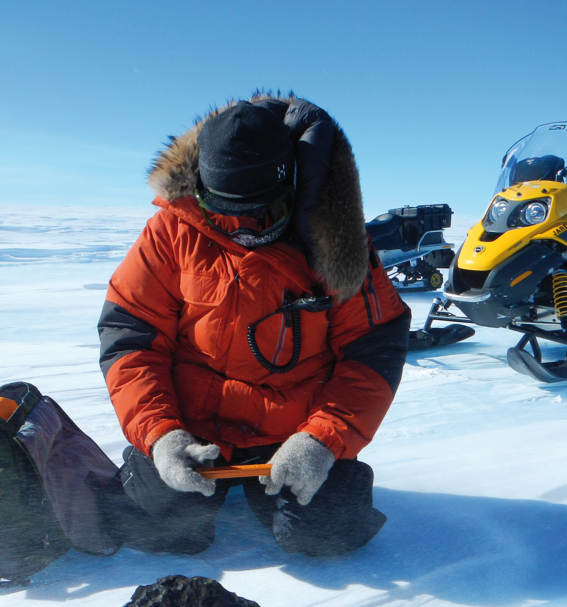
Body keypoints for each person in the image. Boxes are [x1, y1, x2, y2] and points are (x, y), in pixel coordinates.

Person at [98, 94, 410, 557]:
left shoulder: (338, 243)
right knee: (155, 530)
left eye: (258, 211)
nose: (240, 228)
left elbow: (373, 351)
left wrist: (322, 440)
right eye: (221, 209)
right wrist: (161, 434)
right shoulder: (170, 231)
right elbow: (131, 339)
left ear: (289, 186)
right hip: (193, 429)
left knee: (327, 534)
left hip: (295, 430)